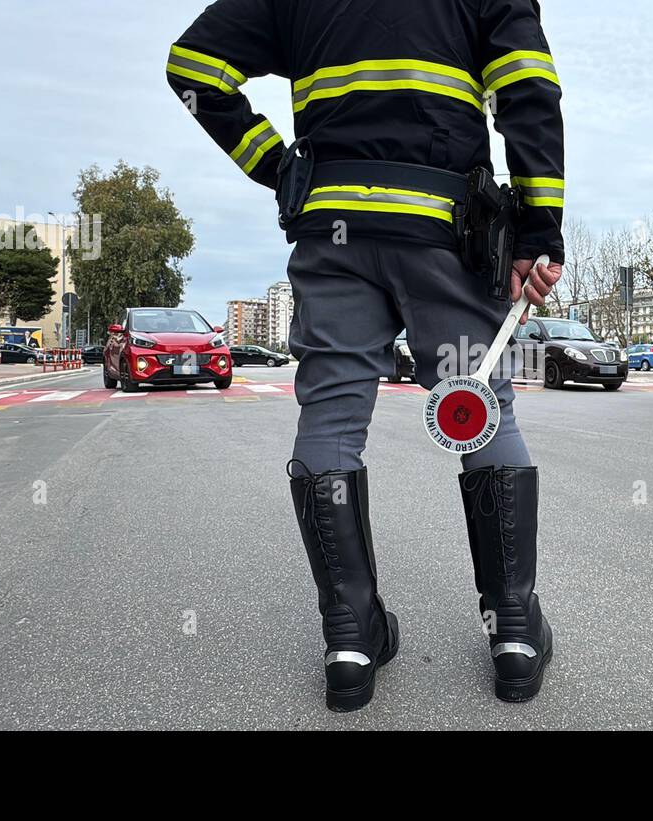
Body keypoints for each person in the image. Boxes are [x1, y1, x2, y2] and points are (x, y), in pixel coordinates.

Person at [169, 0, 565, 711]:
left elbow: (195, 67)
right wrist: (540, 228)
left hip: (334, 231)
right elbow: (526, 89)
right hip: (447, 229)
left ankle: (350, 638)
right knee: (482, 407)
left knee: (330, 419)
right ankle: (513, 630)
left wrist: (281, 169)